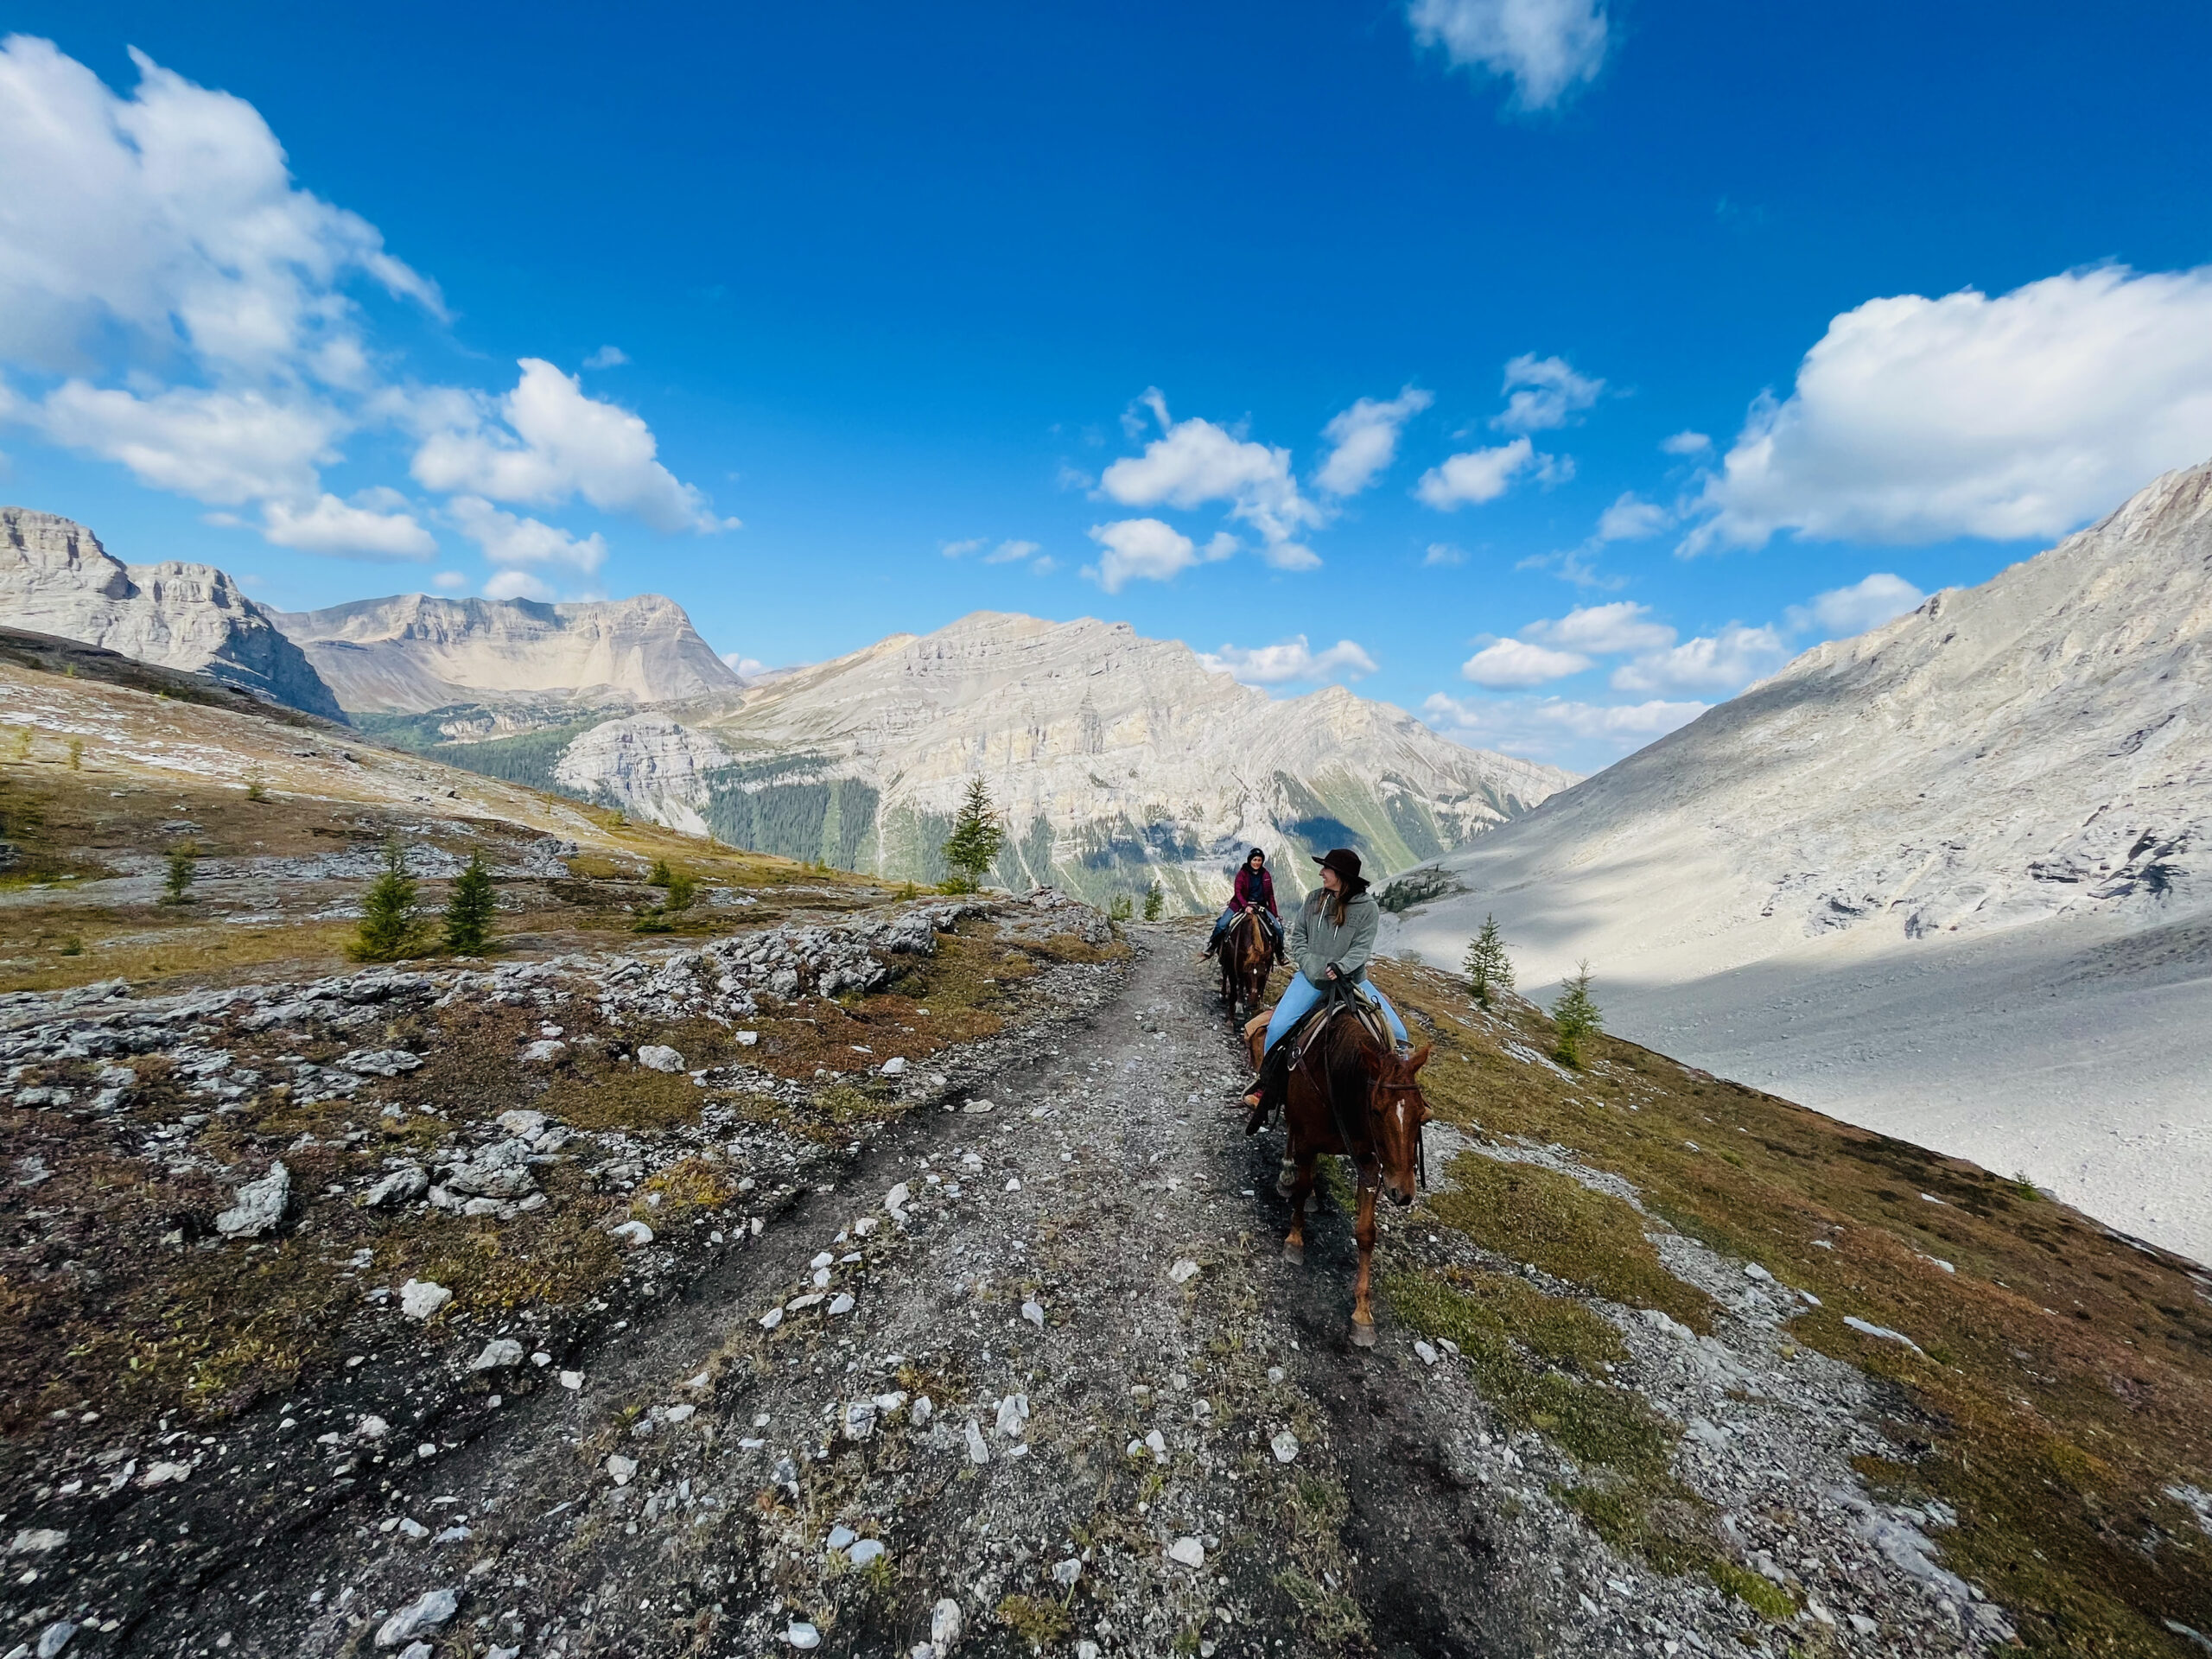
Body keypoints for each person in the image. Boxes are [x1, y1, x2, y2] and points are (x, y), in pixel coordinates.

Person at [1240, 847, 1408, 1121]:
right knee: (1279, 1027)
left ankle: (1400, 1099)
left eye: (1326, 869)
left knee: (1399, 1035)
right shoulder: (1314, 899)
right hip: (1311, 980)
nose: (1321, 873)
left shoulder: (1367, 909)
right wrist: (1315, 967)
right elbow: (1299, 939)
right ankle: (1268, 1086)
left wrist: (1341, 967)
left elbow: (1362, 949)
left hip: (1352, 980)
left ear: (1340, 875)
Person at [1198, 847, 1284, 963]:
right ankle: (1212, 947)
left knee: (1278, 928)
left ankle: (1280, 954)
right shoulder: (1242, 873)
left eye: (1259, 860)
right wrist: (1245, 906)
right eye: (1254, 860)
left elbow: (1270, 896)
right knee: (1222, 924)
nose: (1257, 862)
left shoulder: (1265, 875)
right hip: (1239, 904)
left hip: (1260, 906)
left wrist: (1275, 914)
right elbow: (1238, 892)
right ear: (1250, 860)